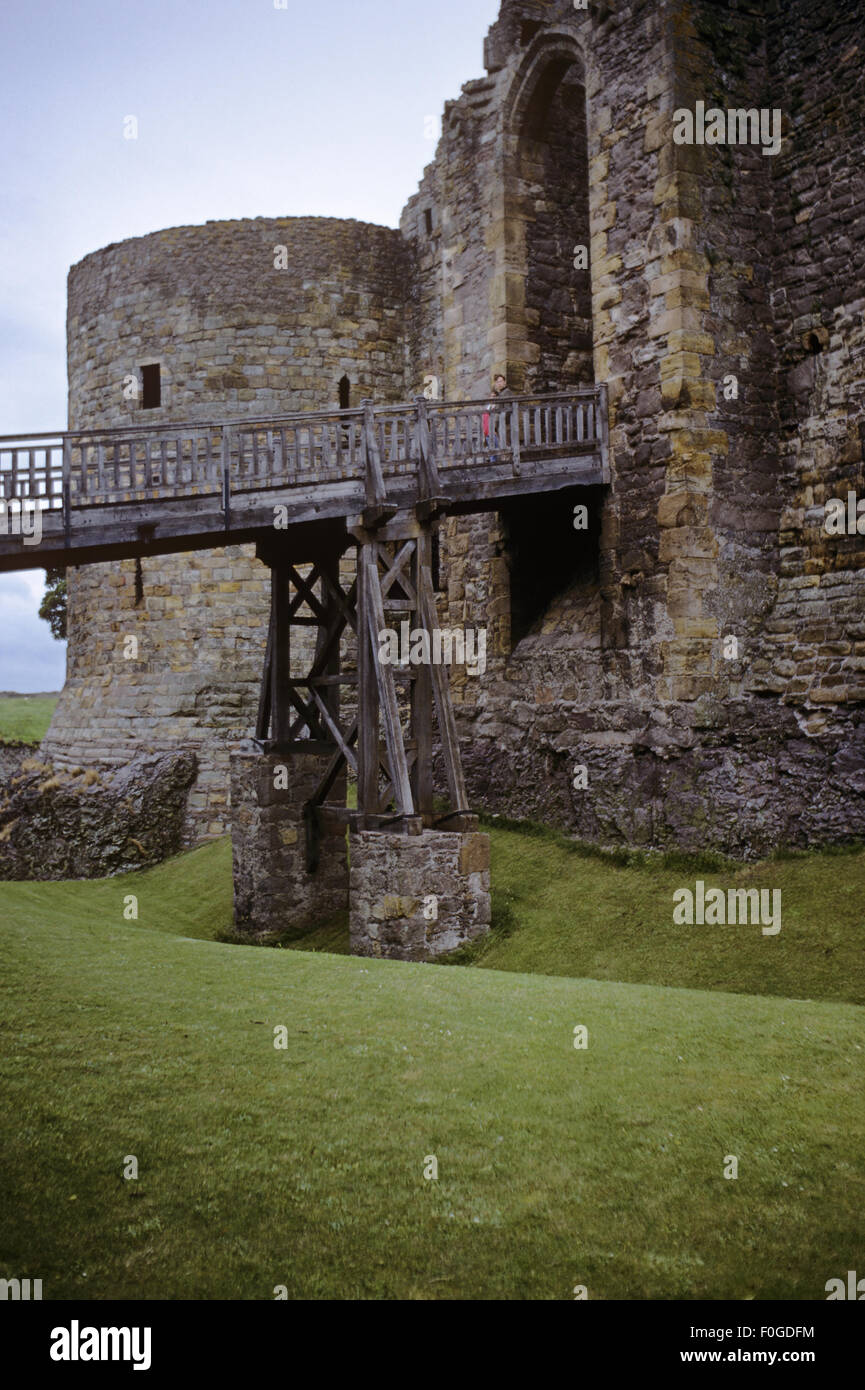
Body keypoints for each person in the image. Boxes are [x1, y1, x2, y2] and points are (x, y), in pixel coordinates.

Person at [483, 373, 512, 460]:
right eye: (497, 382)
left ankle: (508, 464)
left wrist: (500, 422)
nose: (499, 383)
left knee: (506, 445)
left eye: (501, 381)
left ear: (505, 382)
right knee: (502, 445)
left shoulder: (507, 392)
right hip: (499, 424)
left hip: (504, 423)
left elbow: (507, 409)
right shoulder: (500, 394)